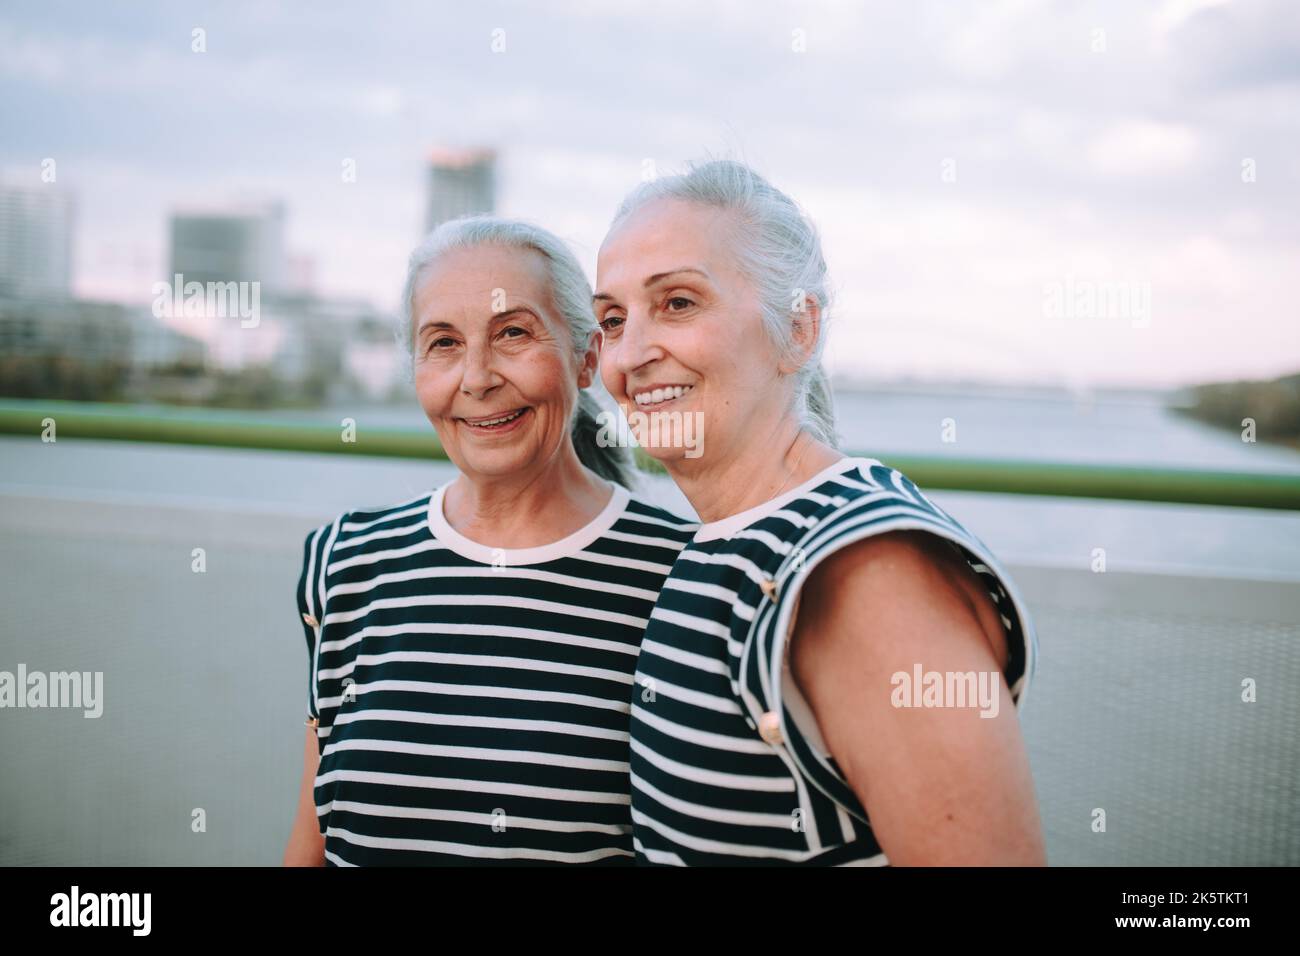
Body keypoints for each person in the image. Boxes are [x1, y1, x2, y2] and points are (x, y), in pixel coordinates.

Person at [592, 159, 1045, 865]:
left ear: (798, 330)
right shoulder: (726, 545)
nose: (631, 354)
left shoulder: (863, 574)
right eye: (612, 319)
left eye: (678, 303)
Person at [282, 216, 697, 865]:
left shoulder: (683, 575)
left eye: (512, 333)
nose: (476, 378)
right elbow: (311, 841)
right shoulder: (346, 563)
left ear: (586, 356)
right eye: (443, 343)